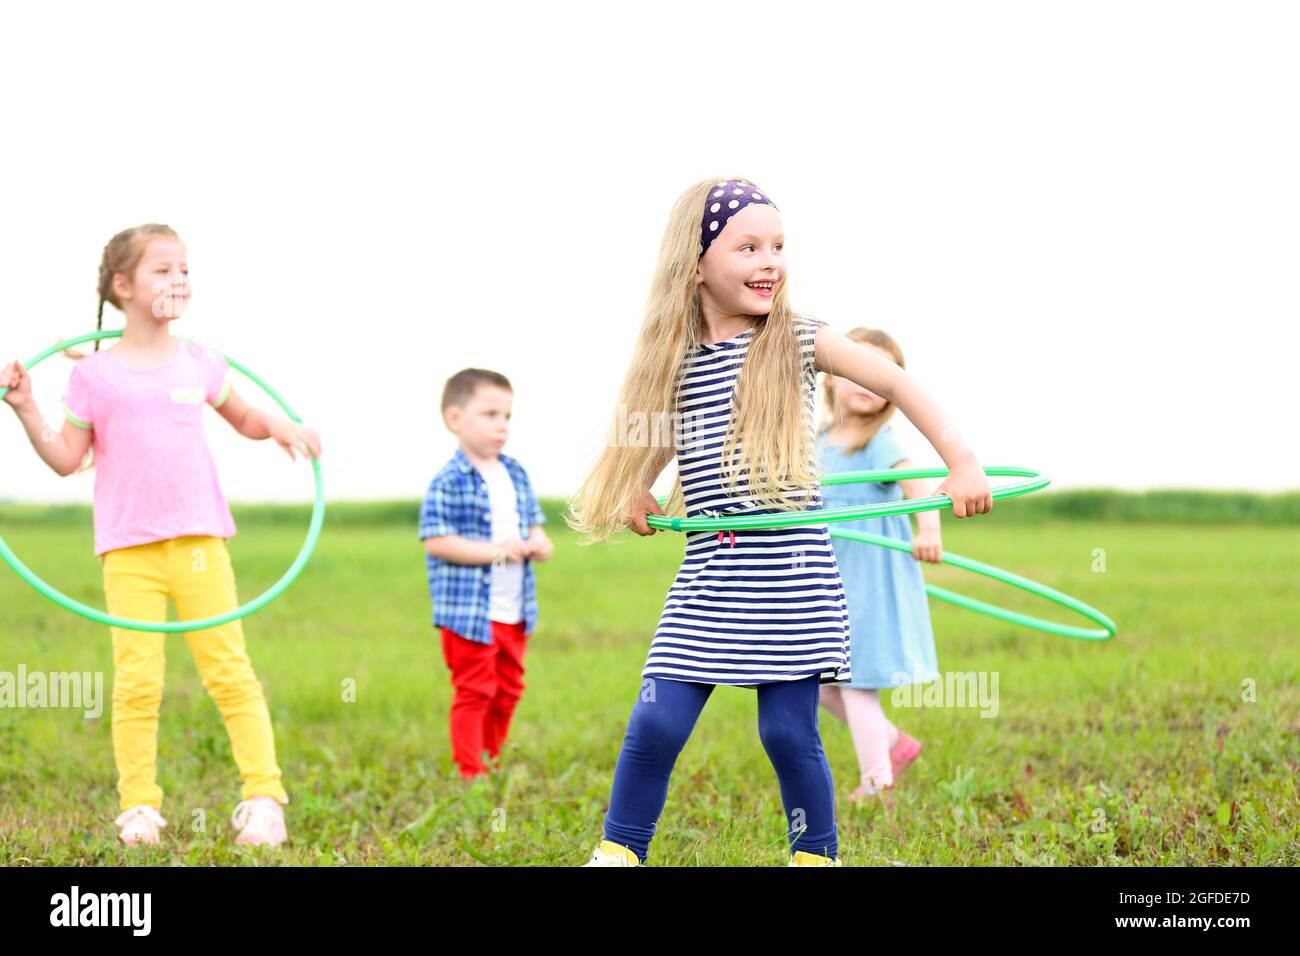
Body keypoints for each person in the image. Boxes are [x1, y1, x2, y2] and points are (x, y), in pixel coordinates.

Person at [566, 177, 992, 866]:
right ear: (696, 262)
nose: (771, 261)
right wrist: (641, 486)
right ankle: (619, 852)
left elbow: (896, 382)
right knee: (655, 721)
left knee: (789, 734)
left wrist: (962, 460)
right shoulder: (676, 359)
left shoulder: (797, 339)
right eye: (749, 247)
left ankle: (815, 855)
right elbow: (675, 433)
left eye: (779, 246)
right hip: (708, 570)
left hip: (791, 573)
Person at [0, 224, 321, 847]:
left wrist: (279, 424)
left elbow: (245, 416)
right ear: (122, 286)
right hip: (128, 549)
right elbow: (68, 457)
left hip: (199, 543)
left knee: (230, 672)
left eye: (184, 269)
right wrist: (26, 408)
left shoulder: (199, 361)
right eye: (162, 270)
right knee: (138, 681)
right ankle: (139, 808)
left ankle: (263, 799)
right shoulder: (94, 376)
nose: (178, 280)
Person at [816, 327, 941, 803]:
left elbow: (916, 489)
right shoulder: (818, 442)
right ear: (832, 376)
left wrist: (927, 531)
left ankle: (876, 783)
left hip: (870, 584)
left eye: (884, 374)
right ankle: (894, 742)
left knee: (855, 681)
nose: (869, 382)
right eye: (861, 368)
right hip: (828, 585)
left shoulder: (878, 443)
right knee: (814, 684)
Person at [419, 368, 553, 780]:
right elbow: (437, 541)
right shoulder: (448, 480)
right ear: (455, 418)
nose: (501, 425)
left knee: (509, 688)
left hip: (514, 608)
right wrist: (496, 552)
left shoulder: (515, 473)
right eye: (490, 413)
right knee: (476, 689)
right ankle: (470, 771)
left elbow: (534, 525)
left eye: (507, 416)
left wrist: (539, 543)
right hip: (469, 613)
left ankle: (491, 758)